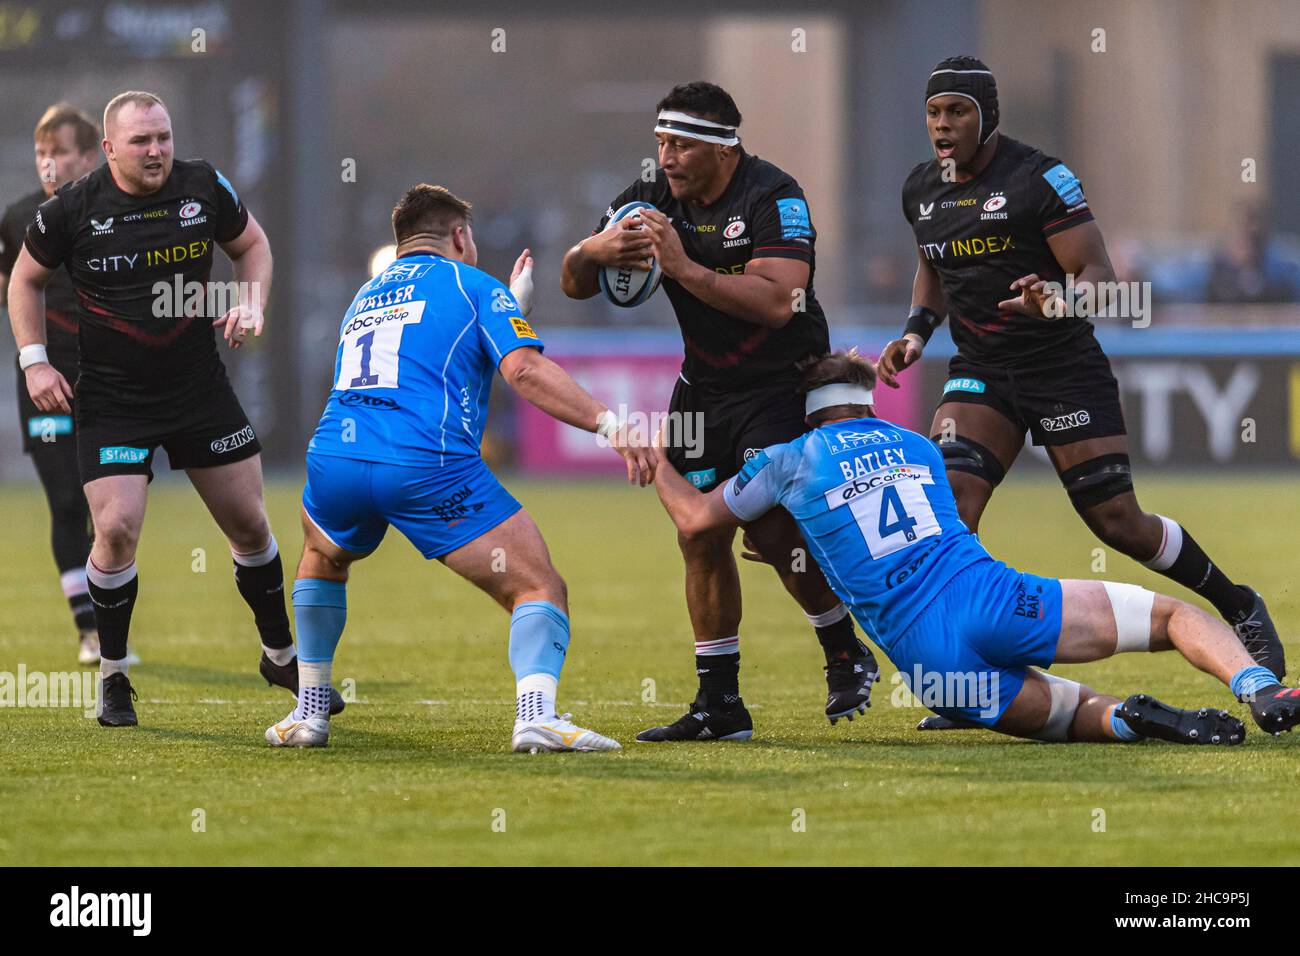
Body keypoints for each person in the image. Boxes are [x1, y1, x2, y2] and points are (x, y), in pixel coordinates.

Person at [875, 56, 1284, 688]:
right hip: (981, 372)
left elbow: (1101, 277)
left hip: (1061, 367)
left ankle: (1236, 604)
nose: (943, 125)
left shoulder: (1041, 178)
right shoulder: (921, 189)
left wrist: (1056, 302)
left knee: (1117, 523)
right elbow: (933, 265)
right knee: (948, 510)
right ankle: (972, 668)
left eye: (957, 111)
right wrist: (913, 332)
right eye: (934, 112)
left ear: (987, 117)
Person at [651, 349, 1300, 744]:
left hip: (931, 662)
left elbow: (698, 521)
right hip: (990, 596)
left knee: (1067, 716)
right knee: (1171, 617)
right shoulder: (920, 449)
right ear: (867, 405)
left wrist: (654, 452)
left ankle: (1133, 719)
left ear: (810, 414)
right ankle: (1258, 685)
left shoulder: (791, 459)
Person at [269, 183, 656, 751]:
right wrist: (611, 424)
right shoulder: (473, 285)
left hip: (336, 459)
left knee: (323, 559)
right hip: (425, 465)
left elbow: (425, 358)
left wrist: (509, 309)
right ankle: (537, 716)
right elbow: (522, 372)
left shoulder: (365, 295)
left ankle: (308, 714)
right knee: (536, 584)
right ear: (459, 236)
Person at [7, 90, 337, 726]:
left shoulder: (202, 185)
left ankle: (279, 654)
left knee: (249, 523)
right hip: (112, 398)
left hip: (196, 388)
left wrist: (252, 303)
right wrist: (34, 360)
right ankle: (113, 675)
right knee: (117, 529)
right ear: (109, 150)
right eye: (141, 141)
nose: (156, 150)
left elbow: (254, 247)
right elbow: (25, 278)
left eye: (163, 137)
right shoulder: (73, 208)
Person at [561, 81, 877, 742]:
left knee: (766, 530)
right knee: (698, 536)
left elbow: (778, 299)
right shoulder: (649, 193)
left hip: (781, 381)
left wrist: (680, 266)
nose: (666, 157)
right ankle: (720, 706)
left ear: (722, 149)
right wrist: (593, 252)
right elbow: (574, 281)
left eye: (680, 144)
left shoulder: (772, 195)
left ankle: (844, 650)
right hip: (703, 388)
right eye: (660, 142)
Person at [0, 104, 101, 664]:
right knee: (65, 500)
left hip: (106, 381)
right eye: (41, 153)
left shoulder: (114, 214)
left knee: (109, 508)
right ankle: (90, 631)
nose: (48, 163)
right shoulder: (17, 217)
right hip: (42, 384)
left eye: (59, 152)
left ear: (89, 156)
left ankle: (110, 612)